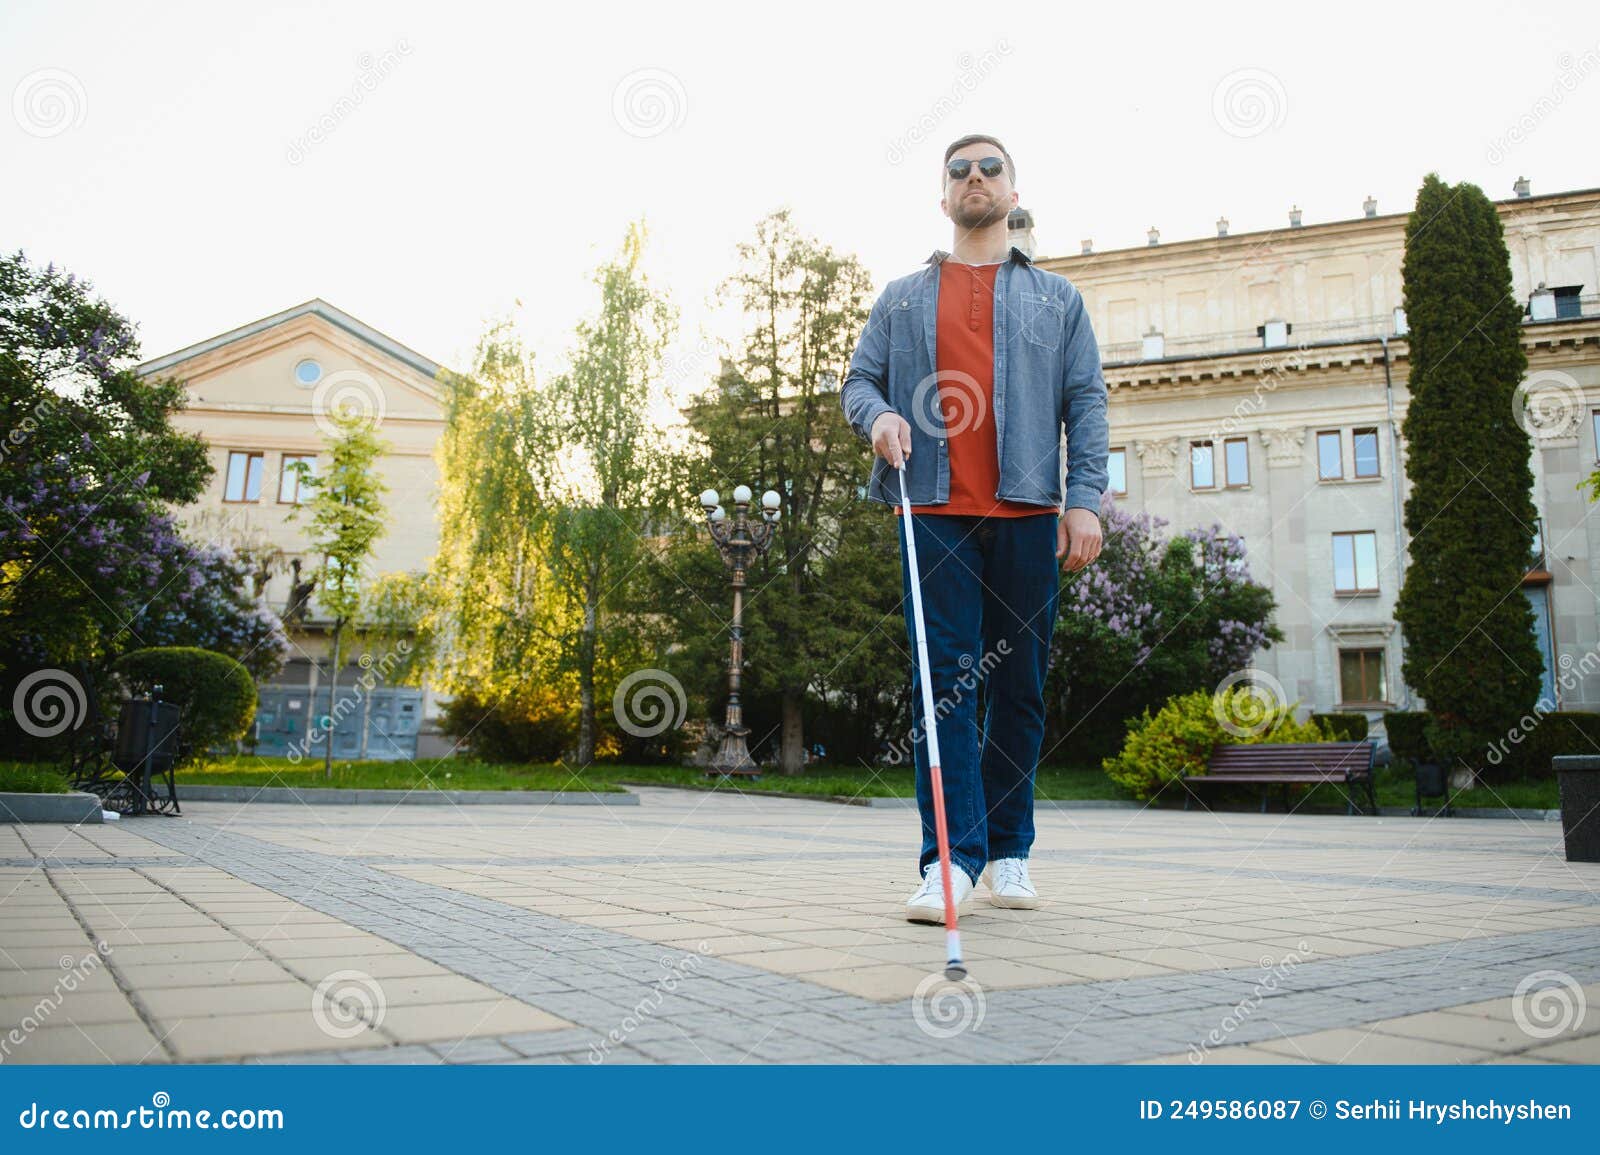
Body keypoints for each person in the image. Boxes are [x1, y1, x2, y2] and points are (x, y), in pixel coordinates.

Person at [839, 134, 1109, 922]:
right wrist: (882, 414)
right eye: (959, 170)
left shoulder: (1058, 298)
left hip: (1027, 511)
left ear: (1013, 189)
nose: (975, 178)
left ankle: (1010, 850)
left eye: (990, 167)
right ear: (944, 195)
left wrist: (1085, 496)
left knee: (1019, 687)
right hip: (932, 510)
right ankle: (950, 860)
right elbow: (858, 380)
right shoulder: (900, 297)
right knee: (945, 688)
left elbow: (1086, 400)